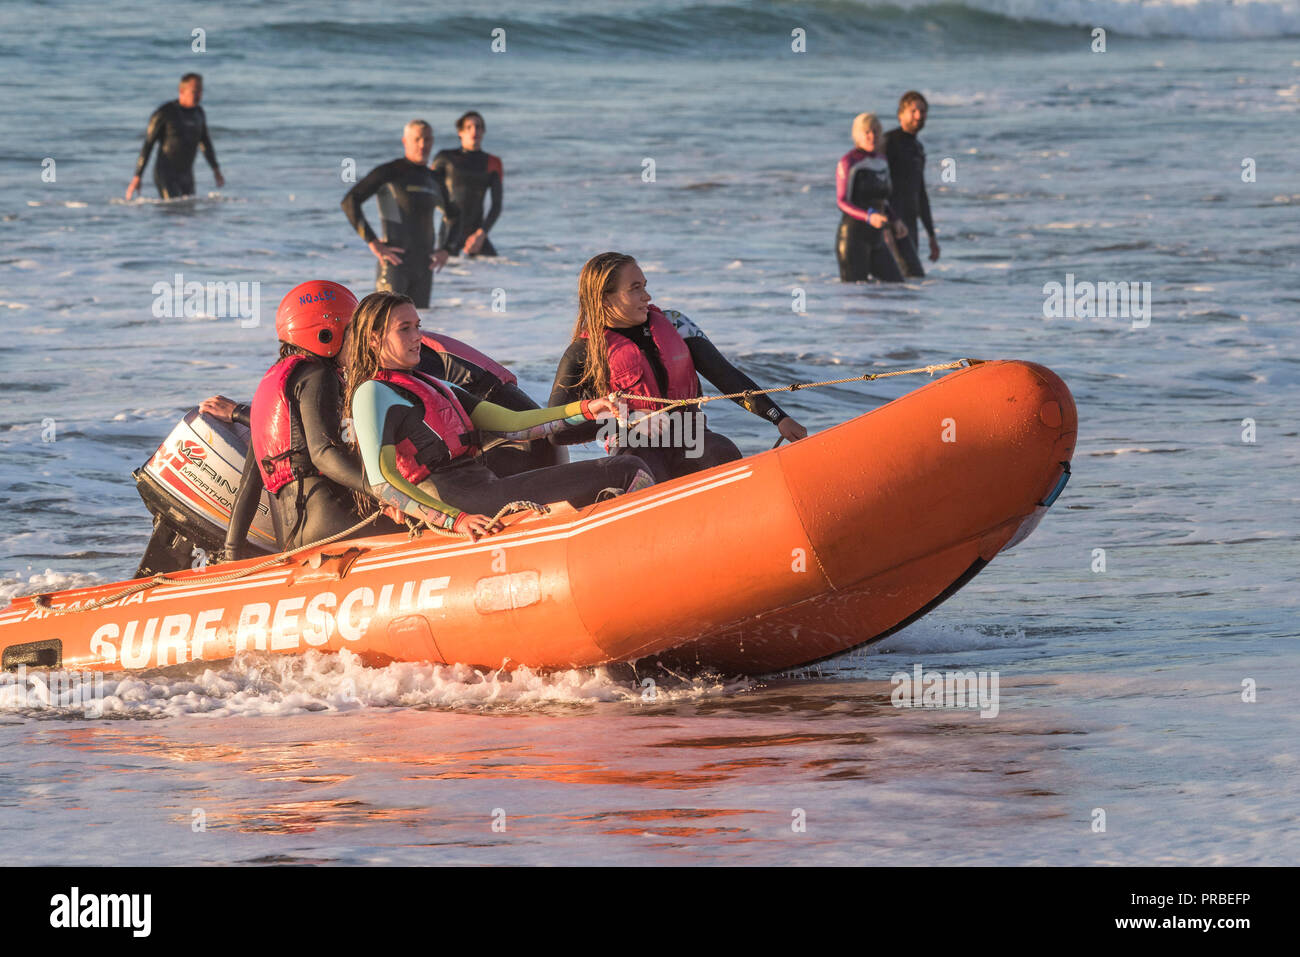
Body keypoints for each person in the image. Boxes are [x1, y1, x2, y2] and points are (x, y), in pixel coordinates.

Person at [344, 293, 654, 541]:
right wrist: (455, 519)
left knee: (627, 468)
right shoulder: (372, 393)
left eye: (418, 325)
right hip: (460, 502)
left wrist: (587, 408)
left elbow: (516, 426)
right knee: (625, 470)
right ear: (373, 339)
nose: (417, 337)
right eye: (404, 329)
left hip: (483, 487)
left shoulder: (437, 386)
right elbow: (384, 483)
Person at [549, 252, 808, 483]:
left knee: (720, 450)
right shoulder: (584, 352)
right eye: (635, 288)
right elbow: (556, 431)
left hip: (691, 438)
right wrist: (620, 419)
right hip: (634, 447)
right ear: (605, 299)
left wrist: (778, 417)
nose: (647, 296)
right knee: (641, 472)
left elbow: (725, 376)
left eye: (645, 286)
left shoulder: (675, 324)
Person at [203, 281, 401, 561]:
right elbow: (323, 454)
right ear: (326, 334)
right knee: (428, 525)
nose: (360, 343)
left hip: (297, 537)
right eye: (354, 332)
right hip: (333, 522)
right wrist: (384, 493)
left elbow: (249, 485)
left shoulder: (272, 387)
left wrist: (232, 554)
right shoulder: (319, 377)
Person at [341, 120, 453, 308]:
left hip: (424, 267)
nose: (422, 144)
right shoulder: (390, 172)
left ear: (432, 141)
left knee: (418, 330)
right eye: (417, 139)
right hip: (394, 263)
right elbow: (350, 201)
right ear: (405, 141)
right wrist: (373, 242)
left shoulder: (435, 179)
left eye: (427, 139)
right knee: (383, 326)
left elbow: (454, 216)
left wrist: (447, 249)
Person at [835, 112, 909, 283]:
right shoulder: (849, 162)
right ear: (857, 136)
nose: (872, 136)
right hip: (853, 238)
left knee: (897, 288)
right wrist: (868, 216)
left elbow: (883, 200)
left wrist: (895, 220)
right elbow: (842, 201)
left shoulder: (882, 161)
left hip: (876, 239)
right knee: (856, 295)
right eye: (867, 132)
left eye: (876, 131)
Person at [125, 73, 224, 201]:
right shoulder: (164, 112)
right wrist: (137, 176)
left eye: (200, 91)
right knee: (173, 212)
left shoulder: (199, 113)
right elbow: (148, 144)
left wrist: (215, 170)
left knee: (189, 214)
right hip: (166, 173)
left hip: (187, 174)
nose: (199, 95)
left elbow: (205, 143)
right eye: (194, 91)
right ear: (181, 91)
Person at [431, 111, 502, 257]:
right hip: (449, 231)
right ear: (460, 132)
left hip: (476, 233)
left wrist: (481, 235)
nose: (474, 131)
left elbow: (496, 205)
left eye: (478, 126)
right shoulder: (445, 158)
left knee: (499, 271)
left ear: (483, 131)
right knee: (446, 277)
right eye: (469, 127)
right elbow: (429, 190)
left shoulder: (493, 162)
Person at [884, 91, 940, 276]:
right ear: (901, 114)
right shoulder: (887, 142)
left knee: (909, 280)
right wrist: (887, 223)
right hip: (891, 223)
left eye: (923, 112)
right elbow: (876, 187)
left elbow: (920, 193)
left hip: (910, 223)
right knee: (903, 277)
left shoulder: (917, 147)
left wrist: (931, 235)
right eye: (913, 111)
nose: (918, 116)